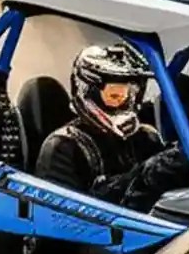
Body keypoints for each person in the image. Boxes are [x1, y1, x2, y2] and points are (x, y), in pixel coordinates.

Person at [34, 43, 164, 200]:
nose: (125, 103)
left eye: (131, 94)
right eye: (115, 95)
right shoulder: (64, 147)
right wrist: (147, 173)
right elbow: (62, 215)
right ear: (88, 91)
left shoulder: (146, 137)